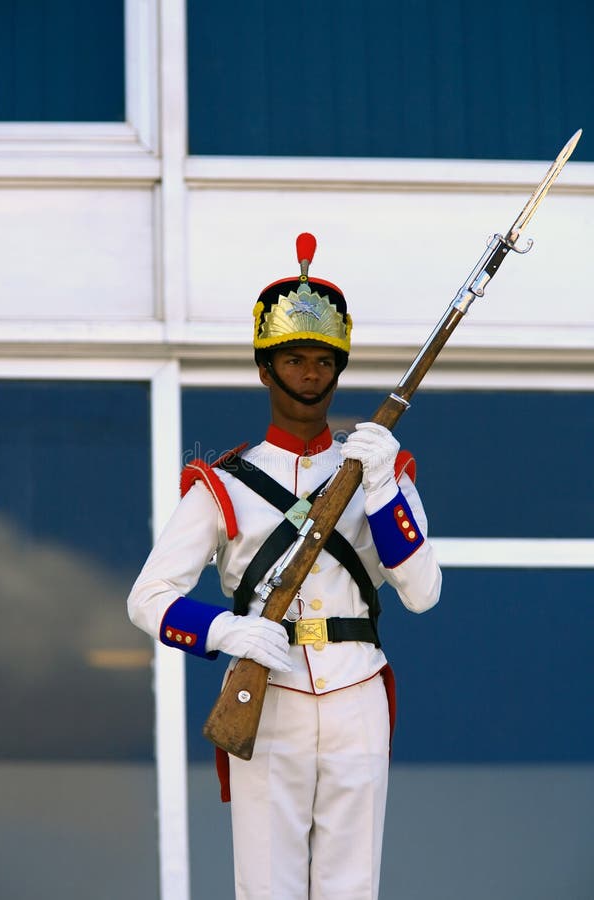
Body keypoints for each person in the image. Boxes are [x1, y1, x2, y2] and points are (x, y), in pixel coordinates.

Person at [128, 232, 442, 900]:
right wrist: (223, 633)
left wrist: (383, 488)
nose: (309, 374)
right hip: (268, 697)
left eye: (323, 360)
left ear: (339, 368)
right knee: (266, 887)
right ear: (265, 370)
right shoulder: (225, 484)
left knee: (351, 888)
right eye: (293, 359)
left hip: (357, 692)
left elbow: (423, 592)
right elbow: (147, 597)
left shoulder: (376, 466)